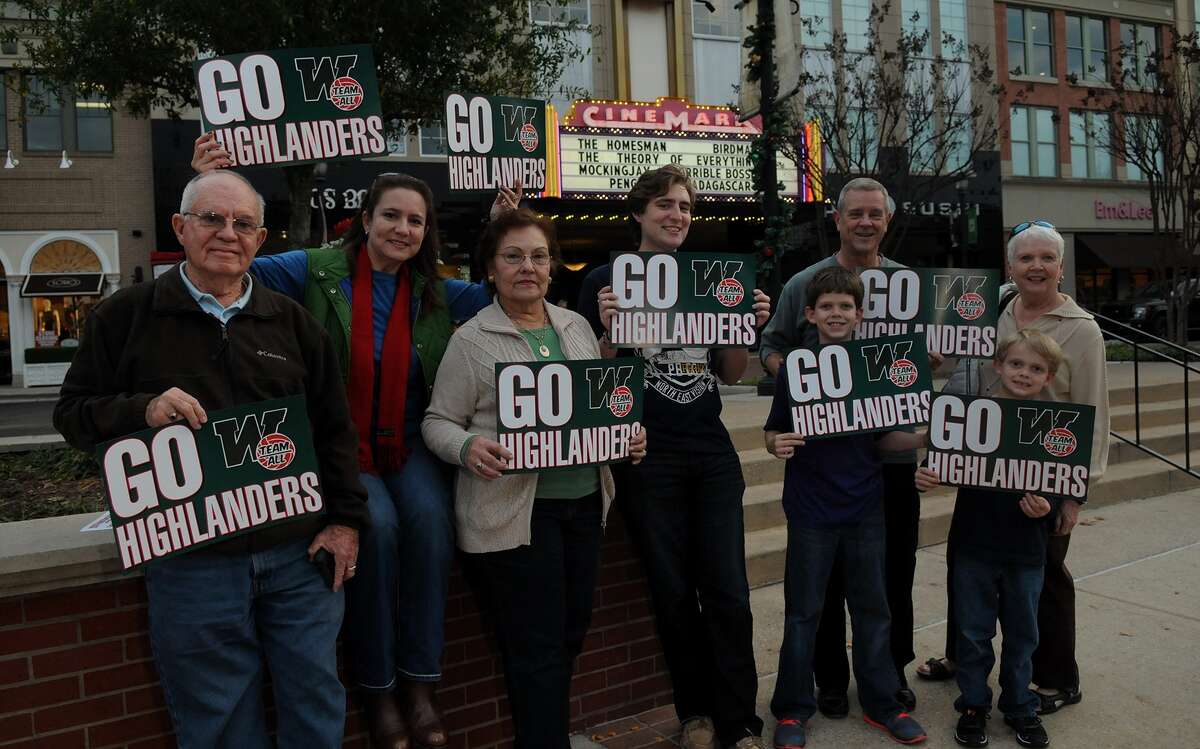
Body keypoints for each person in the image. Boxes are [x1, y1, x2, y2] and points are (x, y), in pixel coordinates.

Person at [52, 170, 369, 748]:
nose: (228, 233)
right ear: (180, 227)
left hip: (297, 556)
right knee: (217, 721)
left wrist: (345, 521)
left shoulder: (293, 322)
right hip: (190, 560)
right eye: (211, 219)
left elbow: (335, 431)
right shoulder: (124, 317)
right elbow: (73, 415)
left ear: (261, 237)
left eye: (243, 223)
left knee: (317, 703)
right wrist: (140, 411)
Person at [421, 209, 647, 748]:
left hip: (586, 505)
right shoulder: (471, 341)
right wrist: (467, 445)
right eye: (513, 256)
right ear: (492, 270)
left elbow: (601, 409)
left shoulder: (576, 327)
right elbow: (436, 422)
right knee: (538, 649)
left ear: (552, 266)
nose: (528, 267)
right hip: (515, 517)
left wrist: (627, 435)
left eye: (539, 256)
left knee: (570, 633)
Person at [577, 165, 771, 749]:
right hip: (646, 458)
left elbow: (730, 372)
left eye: (685, 206)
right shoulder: (606, 279)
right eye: (663, 204)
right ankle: (696, 716)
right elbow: (596, 377)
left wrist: (744, 327)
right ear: (637, 214)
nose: (676, 215)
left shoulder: (712, 277)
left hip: (711, 453)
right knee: (672, 594)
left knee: (730, 594)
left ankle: (739, 722)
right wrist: (609, 329)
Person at [916, 221, 1110, 718]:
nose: (1037, 266)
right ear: (1010, 267)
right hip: (984, 467)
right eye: (1026, 258)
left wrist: (1074, 494)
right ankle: (963, 658)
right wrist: (940, 450)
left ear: (1062, 268)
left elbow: (1093, 409)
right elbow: (964, 379)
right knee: (965, 564)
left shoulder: (1081, 329)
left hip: (1046, 476)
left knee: (1043, 576)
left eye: (1047, 258)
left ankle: (1057, 678)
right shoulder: (994, 313)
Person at [759, 177, 923, 714]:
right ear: (838, 218)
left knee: (890, 576)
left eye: (875, 214)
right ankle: (829, 678)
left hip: (889, 454)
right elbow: (773, 346)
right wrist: (803, 381)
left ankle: (890, 674)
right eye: (856, 213)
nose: (865, 223)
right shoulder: (804, 284)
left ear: (887, 221)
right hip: (823, 460)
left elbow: (929, 353)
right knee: (821, 586)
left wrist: (931, 371)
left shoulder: (908, 284)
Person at [916, 328, 1069, 749]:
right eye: (1016, 364)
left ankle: (1020, 704)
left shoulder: (1056, 427)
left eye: (1036, 368)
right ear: (997, 365)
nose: (1023, 373)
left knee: (1023, 635)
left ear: (1049, 376)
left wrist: (1049, 509)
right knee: (972, 633)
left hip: (1026, 551)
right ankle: (973, 704)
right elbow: (938, 461)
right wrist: (926, 474)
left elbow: (1063, 485)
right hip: (974, 545)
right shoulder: (971, 416)